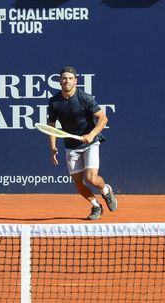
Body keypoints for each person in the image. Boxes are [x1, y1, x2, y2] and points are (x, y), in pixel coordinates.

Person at [46, 66, 117, 220]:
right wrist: (53, 147)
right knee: (78, 183)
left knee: (91, 178)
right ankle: (96, 206)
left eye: (70, 78)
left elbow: (103, 118)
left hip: (90, 143)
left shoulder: (84, 98)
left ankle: (106, 191)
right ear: (60, 81)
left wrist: (91, 134)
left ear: (75, 81)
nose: (67, 81)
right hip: (71, 146)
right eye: (64, 78)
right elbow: (51, 127)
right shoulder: (54, 102)